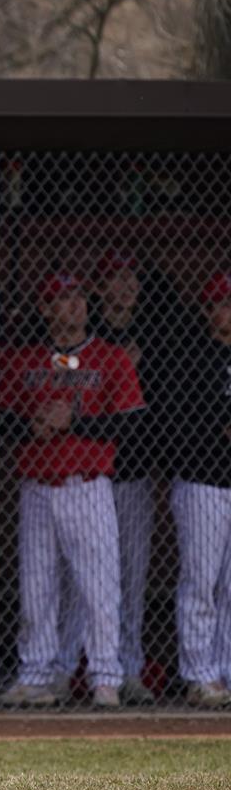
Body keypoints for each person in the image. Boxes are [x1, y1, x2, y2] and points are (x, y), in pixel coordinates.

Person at [0, 273, 144, 710]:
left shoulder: (110, 358)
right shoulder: (24, 361)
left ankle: (105, 677)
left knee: (99, 585)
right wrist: (33, 425)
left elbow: (132, 424)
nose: (74, 305)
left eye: (78, 296)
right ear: (45, 308)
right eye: (62, 298)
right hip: (37, 486)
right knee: (37, 585)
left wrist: (73, 423)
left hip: (88, 485)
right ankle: (36, 673)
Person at [55, 252, 161, 703]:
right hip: (87, 472)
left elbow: (150, 409)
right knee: (78, 578)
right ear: (98, 290)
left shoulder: (157, 336)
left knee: (128, 577)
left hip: (132, 472)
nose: (123, 287)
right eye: (114, 279)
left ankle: (128, 666)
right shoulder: (87, 341)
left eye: (129, 278)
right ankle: (68, 666)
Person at [157, 271, 231, 709]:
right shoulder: (191, 358)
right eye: (225, 302)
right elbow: (175, 426)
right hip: (202, 483)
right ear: (210, 310)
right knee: (201, 583)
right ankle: (199, 673)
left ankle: (225, 670)